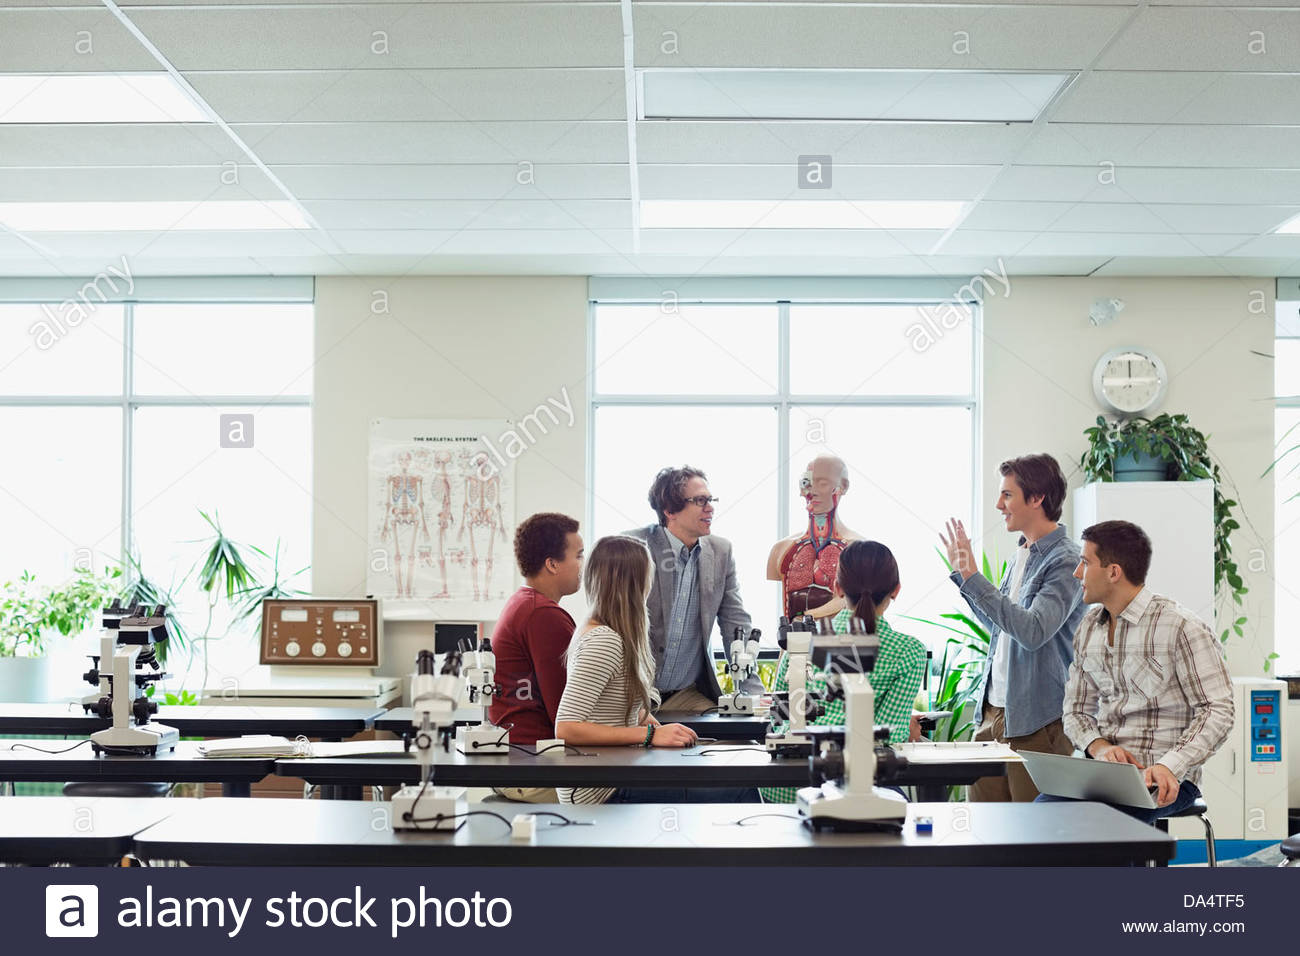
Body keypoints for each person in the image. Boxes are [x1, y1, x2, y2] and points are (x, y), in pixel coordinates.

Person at [1042, 520, 1234, 824]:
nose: (1077, 573)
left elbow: (1218, 710)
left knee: (1107, 825)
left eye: (1085, 562)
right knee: (1039, 815)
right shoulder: (1088, 628)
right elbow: (1075, 711)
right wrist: (1099, 746)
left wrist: (1171, 764)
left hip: (1165, 776)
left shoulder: (1181, 627)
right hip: (1104, 774)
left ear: (1113, 572)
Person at [555, 535, 759, 805]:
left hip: (617, 775)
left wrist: (648, 721)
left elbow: (609, 707)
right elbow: (567, 728)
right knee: (742, 790)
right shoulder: (603, 641)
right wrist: (650, 735)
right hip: (602, 793)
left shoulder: (608, 632)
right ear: (635, 583)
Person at [939, 453, 1083, 801]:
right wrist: (965, 578)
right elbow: (999, 628)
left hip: (1038, 722)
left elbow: (1033, 631)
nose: (998, 504)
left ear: (1036, 498)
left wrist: (975, 579)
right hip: (993, 714)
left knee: (1035, 841)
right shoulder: (1021, 554)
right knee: (987, 833)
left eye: (1007, 495)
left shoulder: (1065, 560)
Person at [761, 540, 927, 803]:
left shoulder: (801, 640)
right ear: (895, 590)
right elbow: (887, 738)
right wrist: (905, 728)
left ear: (837, 588)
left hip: (782, 792)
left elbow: (778, 723)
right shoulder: (908, 651)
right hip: (854, 790)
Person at [625, 465, 757, 715]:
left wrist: (755, 696)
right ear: (669, 510)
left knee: (733, 739)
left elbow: (735, 622)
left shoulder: (721, 552)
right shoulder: (633, 547)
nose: (710, 507)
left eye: (710, 500)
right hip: (635, 693)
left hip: (685, 696)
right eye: (700, 501)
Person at [487, 512, 583, 803]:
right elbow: (567, 714)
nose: (583, 565)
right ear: (552, 564)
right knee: (631, 794)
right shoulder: (544, 615)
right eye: (578, 556)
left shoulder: (523, 602)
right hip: (534, 765)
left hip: (517, 758)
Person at [766, 454, 863, 620]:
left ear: (843, 486)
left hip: (841, 644)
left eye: (822, 483)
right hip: (791, 645)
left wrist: (805, 616)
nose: (812, 492)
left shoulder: (860, 549)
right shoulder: (781, 549)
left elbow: (853, 600)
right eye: (807, 483)